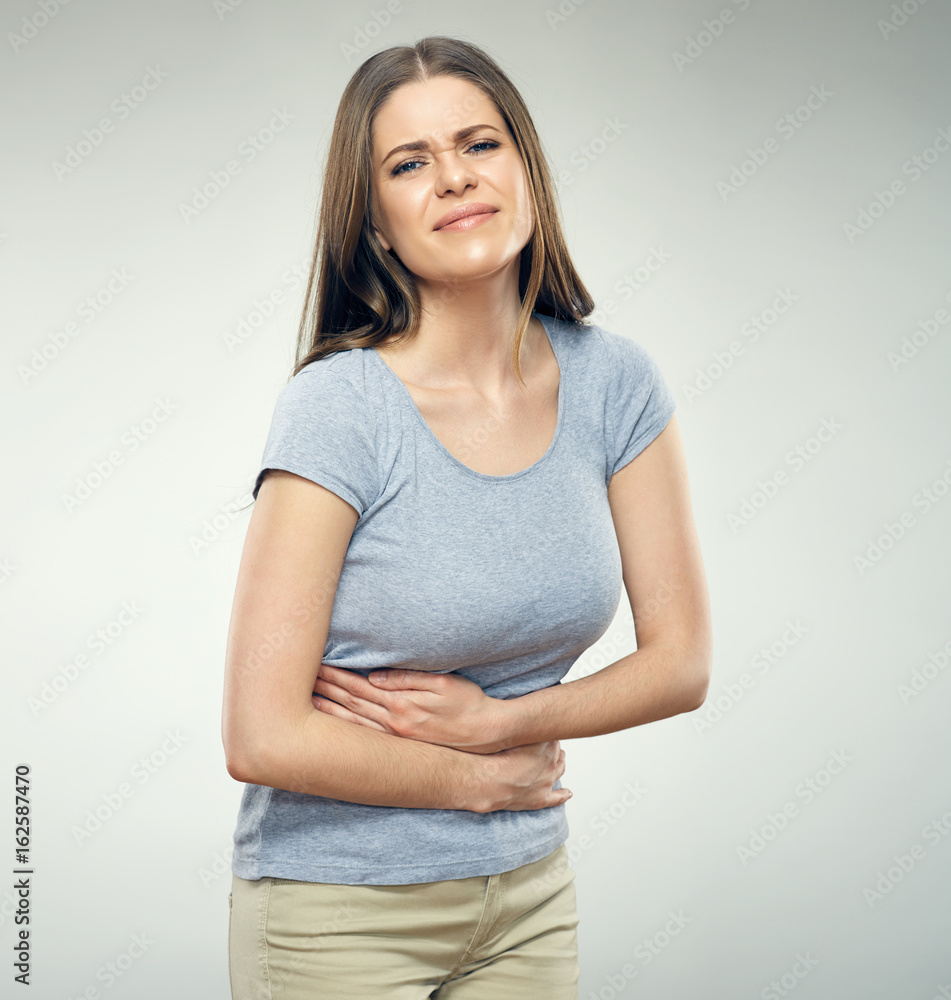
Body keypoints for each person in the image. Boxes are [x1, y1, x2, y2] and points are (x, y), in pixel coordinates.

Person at [221, 34, 712, 1000]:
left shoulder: (615, 384)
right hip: (338, 913)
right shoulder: (342, 407)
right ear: (375, 225)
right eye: (409, 163)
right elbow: (259, 735)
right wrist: (474, 782)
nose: (452, 178)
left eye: (477, 145)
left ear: (524, 168)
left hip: (528, 899)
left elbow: (682, 660)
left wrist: (501, 726)